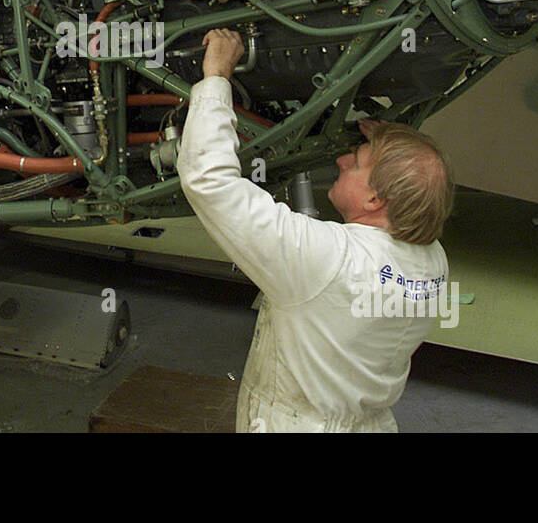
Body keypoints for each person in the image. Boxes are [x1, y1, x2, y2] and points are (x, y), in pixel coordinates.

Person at [177, 27, 454, 432]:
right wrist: (389, 145)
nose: (341, 161)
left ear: (377, 201)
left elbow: (209, 181)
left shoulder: (328, 260)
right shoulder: (433, 260)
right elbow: (422, 179)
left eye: (356, 162)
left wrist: (216, 77)